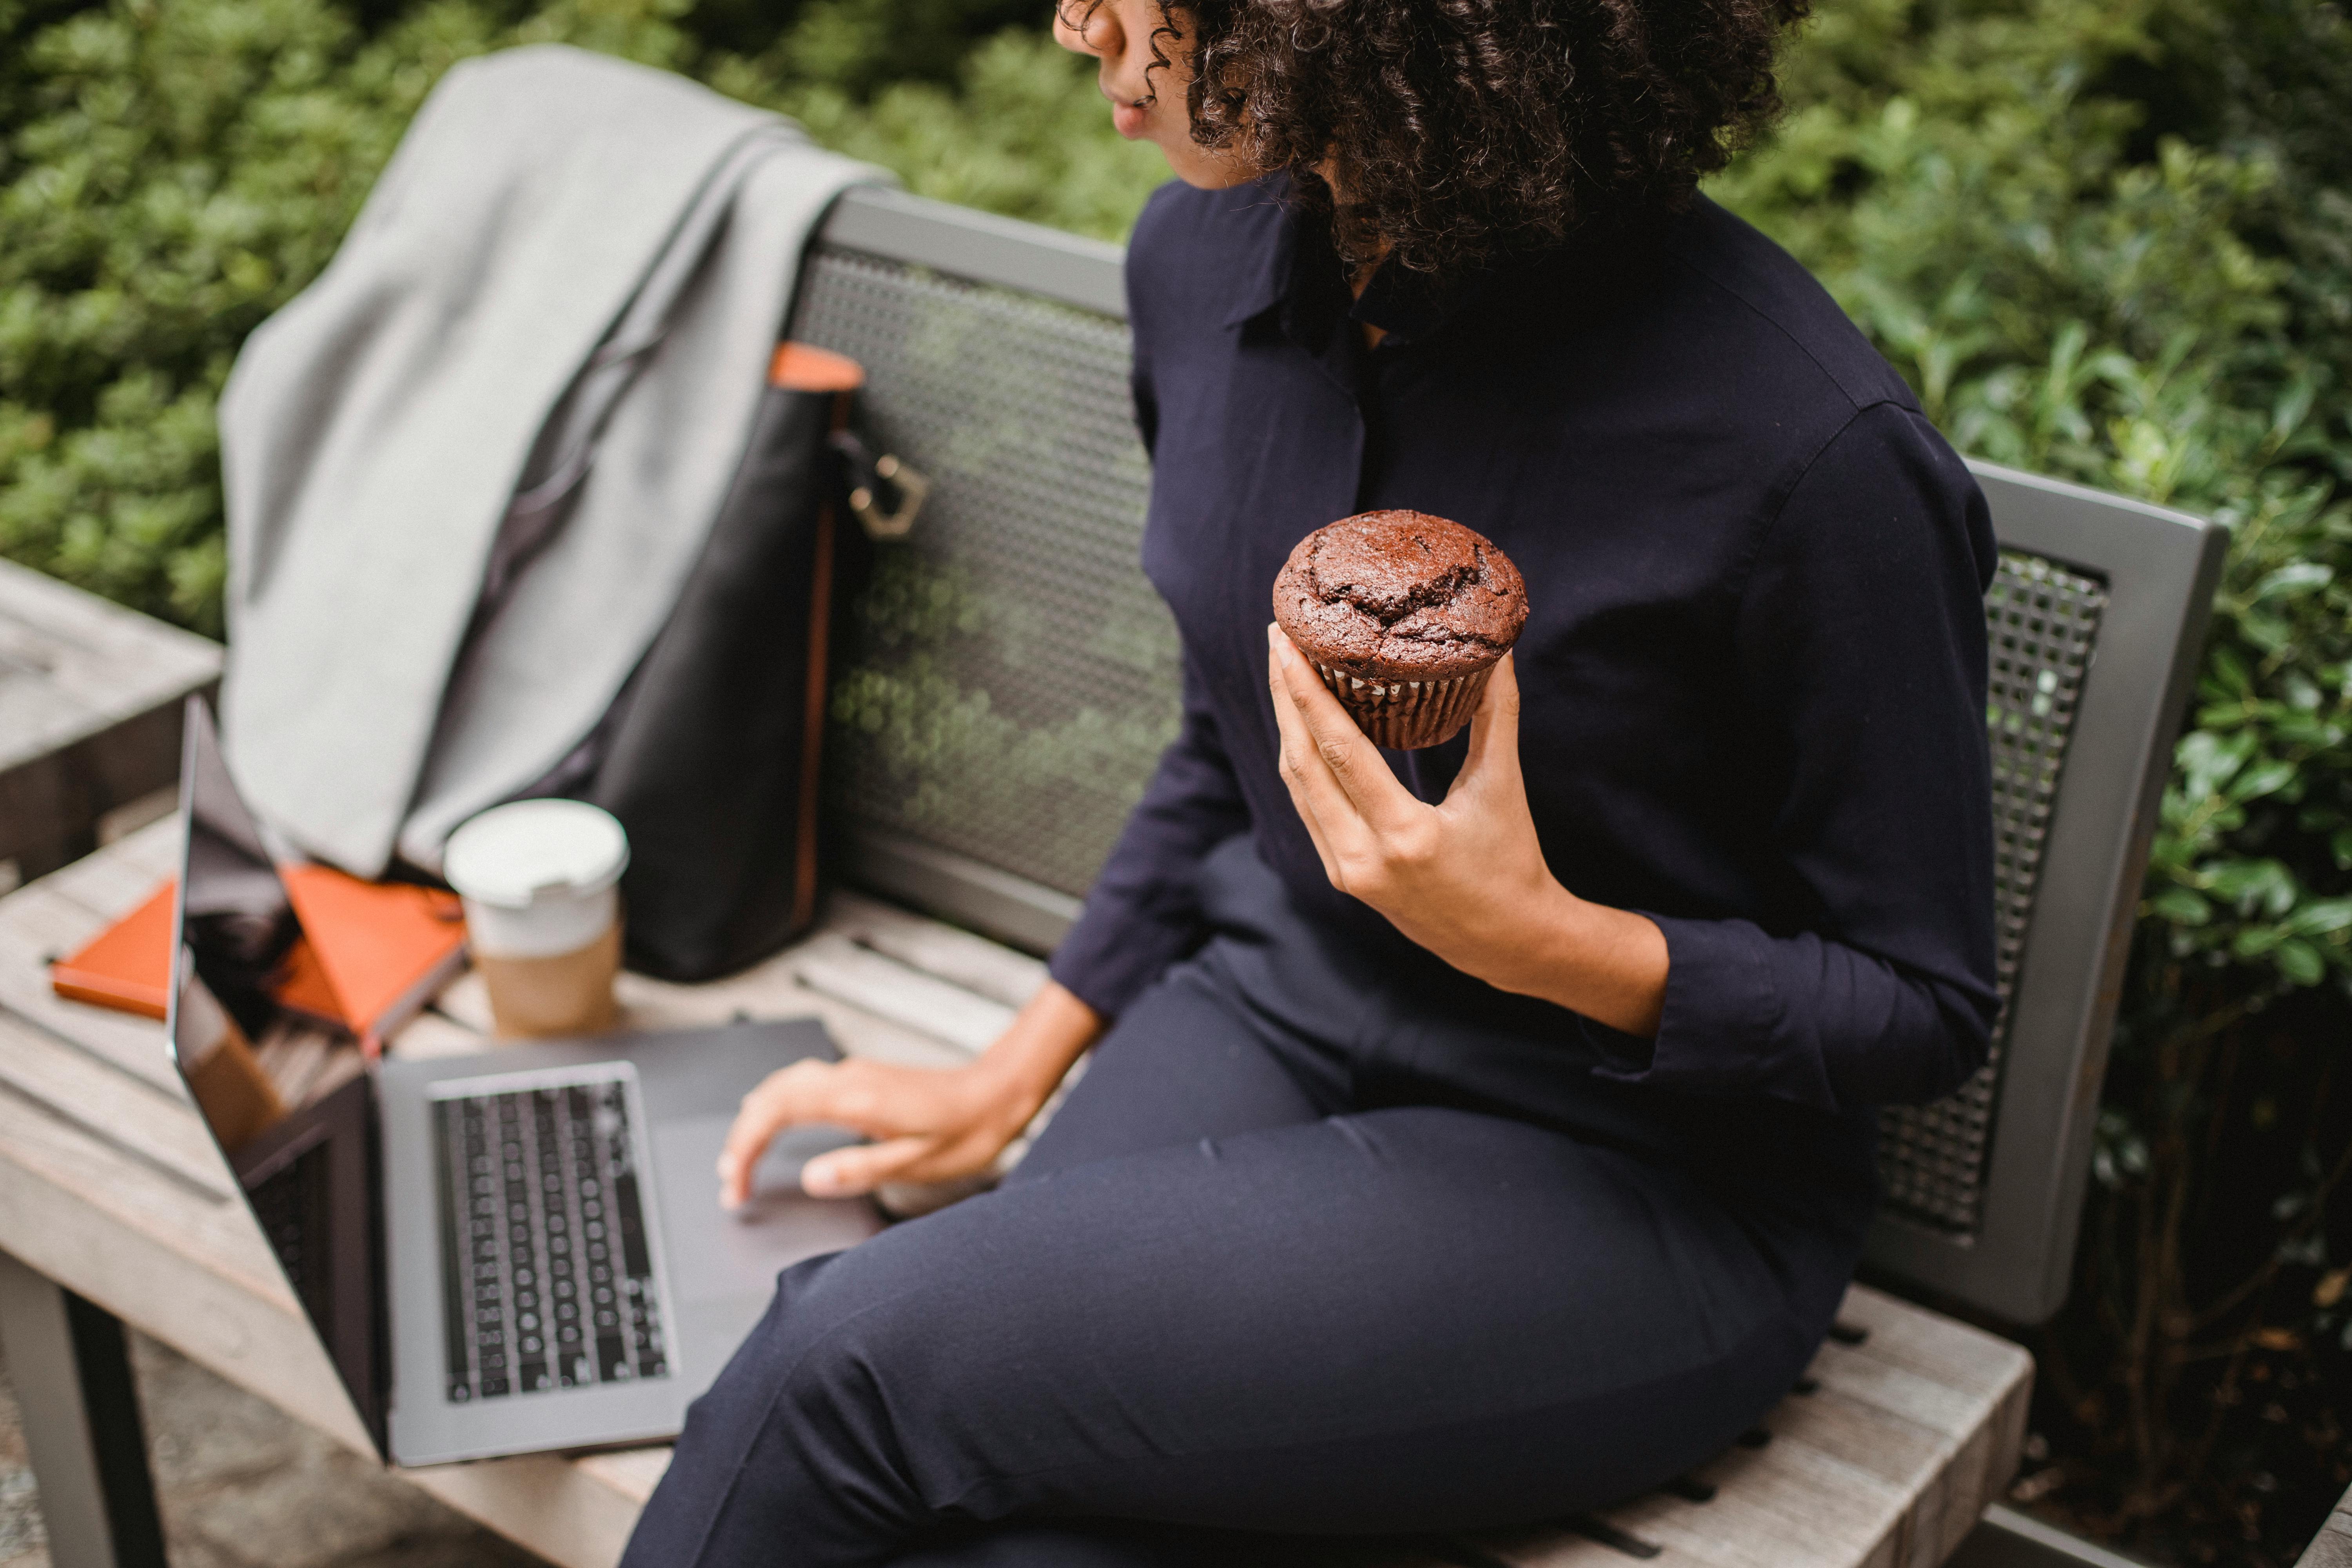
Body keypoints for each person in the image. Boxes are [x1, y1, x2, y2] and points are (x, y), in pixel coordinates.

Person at [621, 0, 2000, 1559]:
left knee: (844, 1361)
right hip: (1269, 1001)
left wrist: (1541, 937)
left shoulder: (1814, 448)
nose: (1078, 22)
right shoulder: (1196, 266)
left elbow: (1922, 1000)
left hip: (1639, 1171)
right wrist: (1008, 1076)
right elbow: (1227, 737)